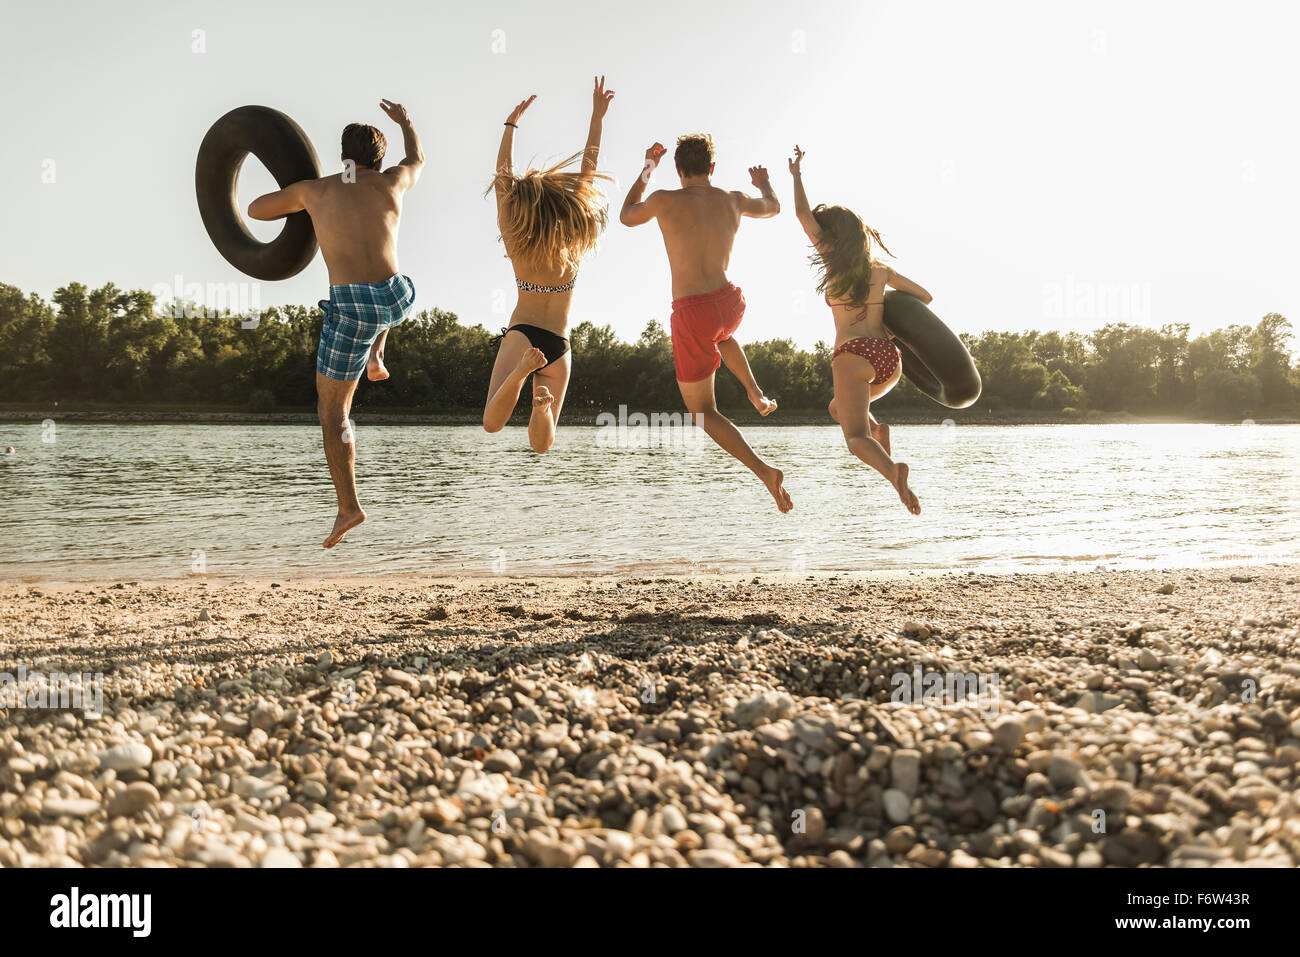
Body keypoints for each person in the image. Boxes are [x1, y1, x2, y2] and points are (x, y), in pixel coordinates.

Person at [248, 99, 425, 547]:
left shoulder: (316, 190)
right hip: (396, 297)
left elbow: (255, 210)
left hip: (351, 307)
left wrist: (300, 197)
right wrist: (405, 122)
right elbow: (417, 158)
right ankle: (378, 353)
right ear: (378, 159)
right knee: (390, 297)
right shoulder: (392, 182)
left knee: (333, 414)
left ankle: (349, 508)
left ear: (341, 155)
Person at [619, 133, 791, 513]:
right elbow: (774, 207)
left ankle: (764, 472)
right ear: (712, 169)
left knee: (703, 412)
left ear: (679, 170)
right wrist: (763, 183)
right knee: (724, 334)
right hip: (729, 301)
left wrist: (648, 166)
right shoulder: (732, 199)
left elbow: (627, 214)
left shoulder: (664, 199)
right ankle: (755, 392)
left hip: (692, 312)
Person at [788, 144, 925, 515]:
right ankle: (878, 430)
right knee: (838, 408)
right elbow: (924, 299)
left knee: (854, 438)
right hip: (889, 362)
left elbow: (802, 213)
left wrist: (796, 174)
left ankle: (893, 470)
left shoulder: (833, 262)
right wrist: (893, 327)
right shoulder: (881, 270)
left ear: (833, 238)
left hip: (853, 357)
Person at [482, 77, 614, 454]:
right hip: (559, 343)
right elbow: (588, 170)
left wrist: (509, 127)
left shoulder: (516, 240)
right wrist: (597, 116)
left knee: (492, 423)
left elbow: (502, 178)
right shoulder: (572, 241)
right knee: (542, 444)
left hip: (522, 334)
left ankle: (523, 373)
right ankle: (540, 408)